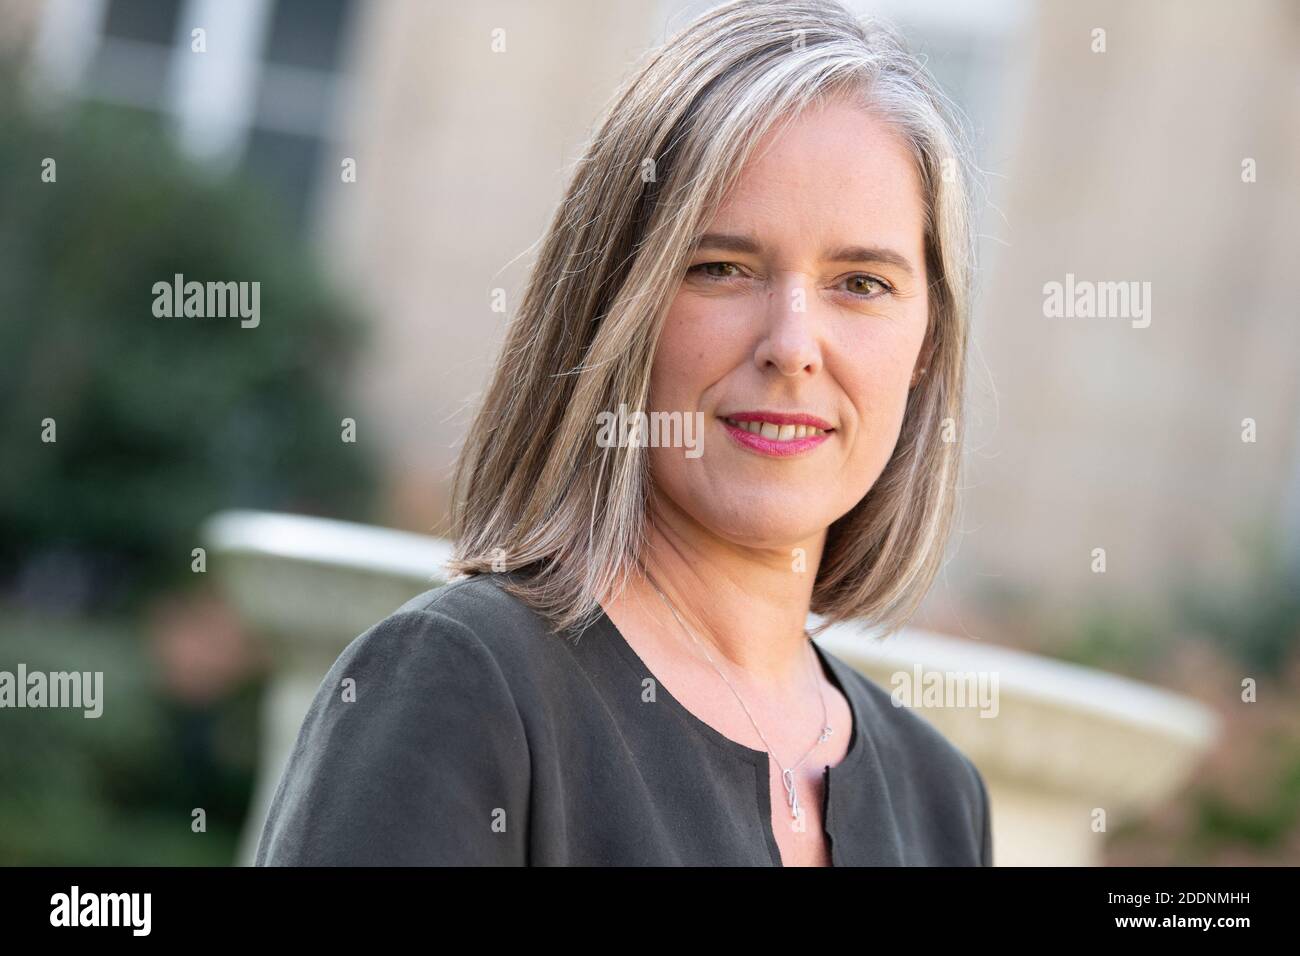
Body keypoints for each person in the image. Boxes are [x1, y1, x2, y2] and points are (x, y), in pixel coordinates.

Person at [256, 0, 991, 867]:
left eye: (861, 283)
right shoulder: (461, 686)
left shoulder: (942, 800)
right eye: (722, 269)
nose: (792, 347)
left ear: (927, 342)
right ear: (619, 306)